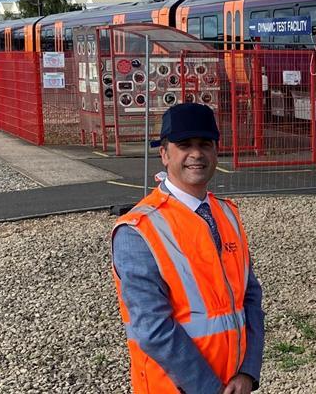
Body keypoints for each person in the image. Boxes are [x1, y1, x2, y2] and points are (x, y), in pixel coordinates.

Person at [111, 102, 265, 393]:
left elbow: (251, 298)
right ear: (164, 154)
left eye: (204, 144)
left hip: (234, 382)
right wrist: (210, 388)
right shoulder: (138, 230)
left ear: (215, 151)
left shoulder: (228, 214)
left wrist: (247, 371)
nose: (196, 154)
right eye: (184, 145)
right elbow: (153, 328)